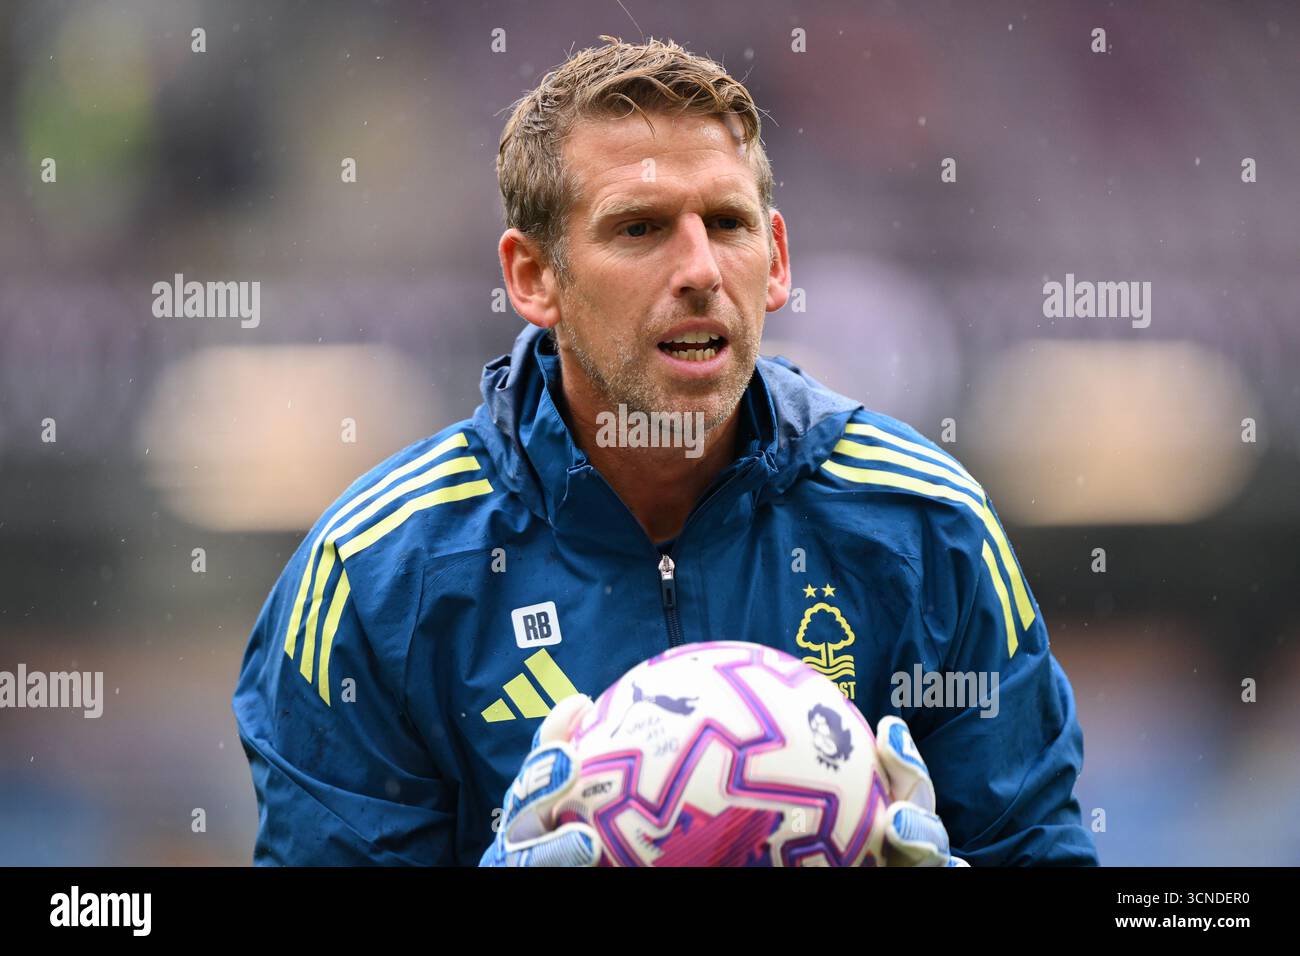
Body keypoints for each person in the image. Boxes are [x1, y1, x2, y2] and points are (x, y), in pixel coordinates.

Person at [233, 35, 1097, 867]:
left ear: (779, 257)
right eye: (640, 229)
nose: (699, 270)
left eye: (726, 223)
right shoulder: (374, 575)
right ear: (533, 276)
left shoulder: (926, 525)